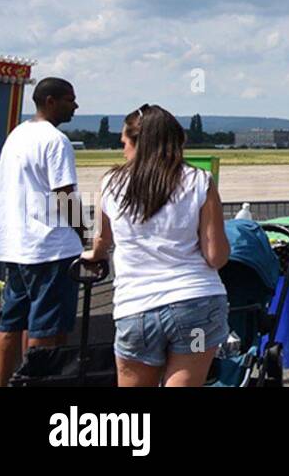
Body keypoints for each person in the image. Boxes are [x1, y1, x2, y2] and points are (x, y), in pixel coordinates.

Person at [81, 105, 230, 387]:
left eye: (124, 143)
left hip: (136, 309)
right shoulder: (199, 181)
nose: (122, 150)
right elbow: (215, 256)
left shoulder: (111, 183)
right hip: (197, 306)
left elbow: (102, 240)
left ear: (138, 142)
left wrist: (93, 254)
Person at [0, 77, 83, 386]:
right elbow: (64, 195)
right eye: (69, 99)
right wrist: (85, 237)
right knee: (46, 329)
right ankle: (36, 382)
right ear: (50, 100)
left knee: (11, 323)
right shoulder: (55, 140)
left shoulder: (17, 135)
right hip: (50, 247)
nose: (75, 105)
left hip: (16, 246)